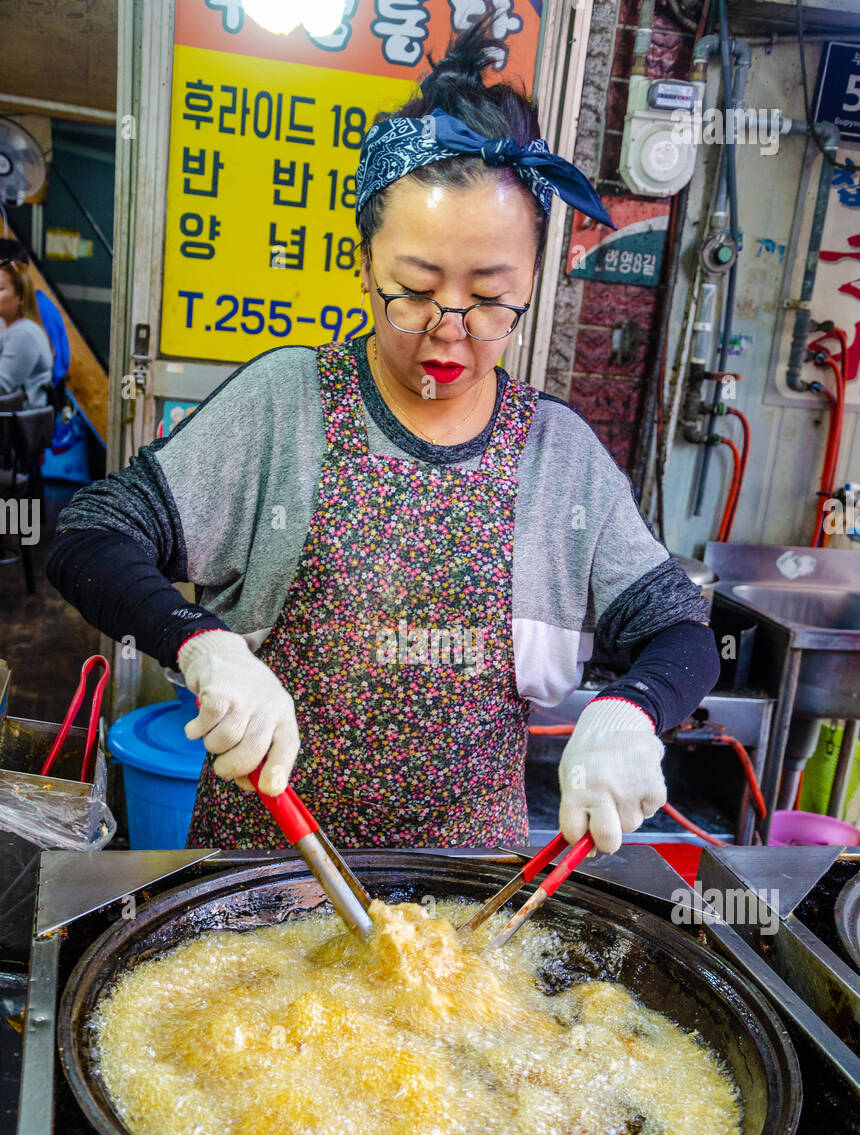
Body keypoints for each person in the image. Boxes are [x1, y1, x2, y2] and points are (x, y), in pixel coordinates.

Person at [47, 17, 720, 855]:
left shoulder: (558, 453)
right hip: (260, 876)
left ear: (533, 280)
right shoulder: (288, 403)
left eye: (489, 297)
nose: (448, 329)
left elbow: (683, 629)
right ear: (365, 262)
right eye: (414, 287)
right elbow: (87, 534)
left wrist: (631, 709)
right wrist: (202, 645)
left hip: (471, 896)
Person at [0, 254, 54, 408]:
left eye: (0, 289)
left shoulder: (25, 333)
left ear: (20, 297)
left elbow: (2, 386)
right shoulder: (4, 324)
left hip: (18, 424)